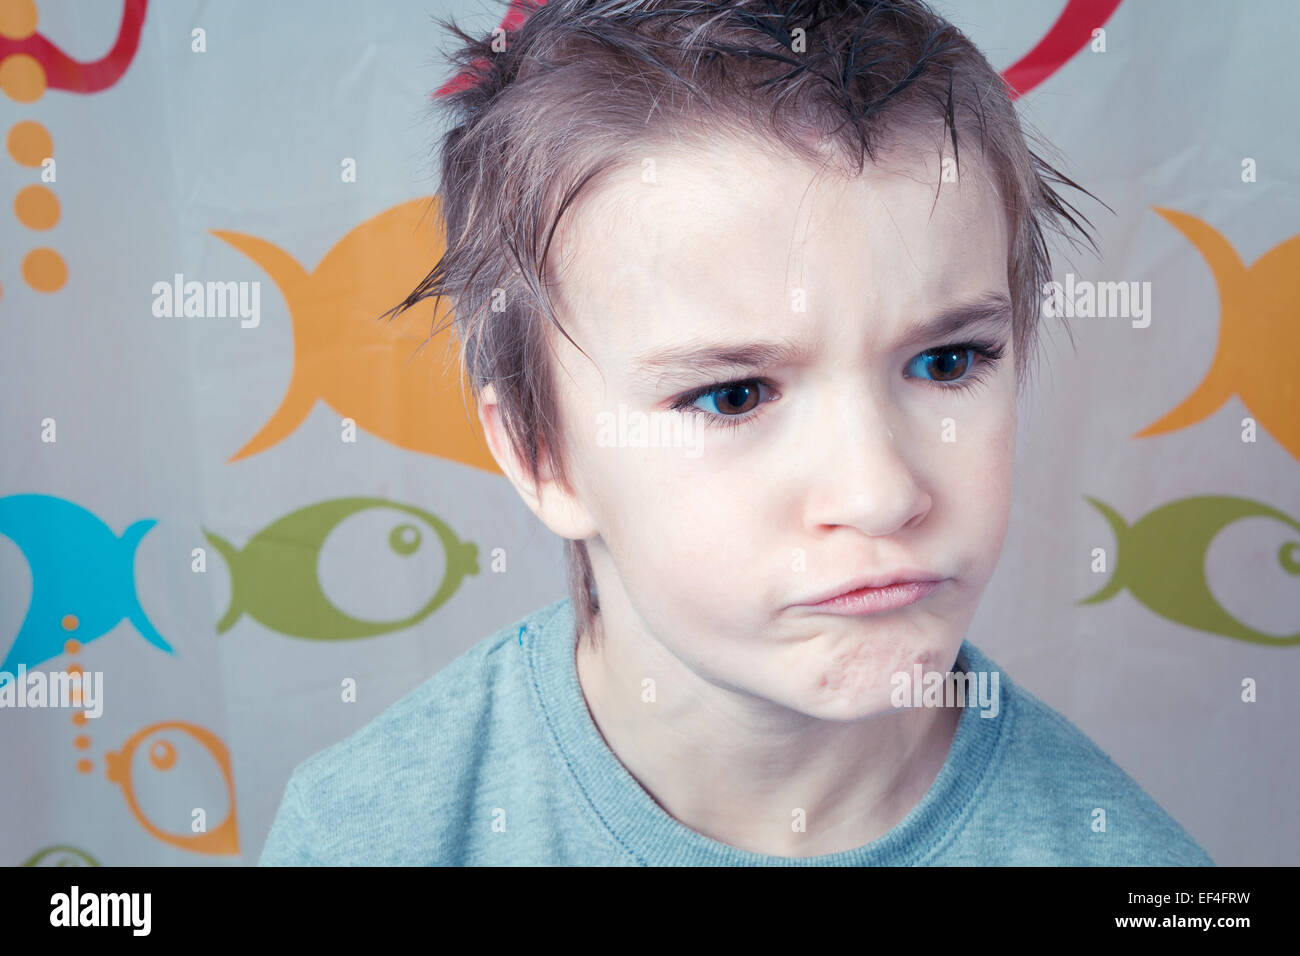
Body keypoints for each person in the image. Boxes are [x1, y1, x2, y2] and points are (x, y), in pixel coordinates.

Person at [259, 0, 1214, 866]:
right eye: (735, 396)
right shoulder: (366, 837)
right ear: (540, 455)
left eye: (946, 362)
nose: (881, 493)